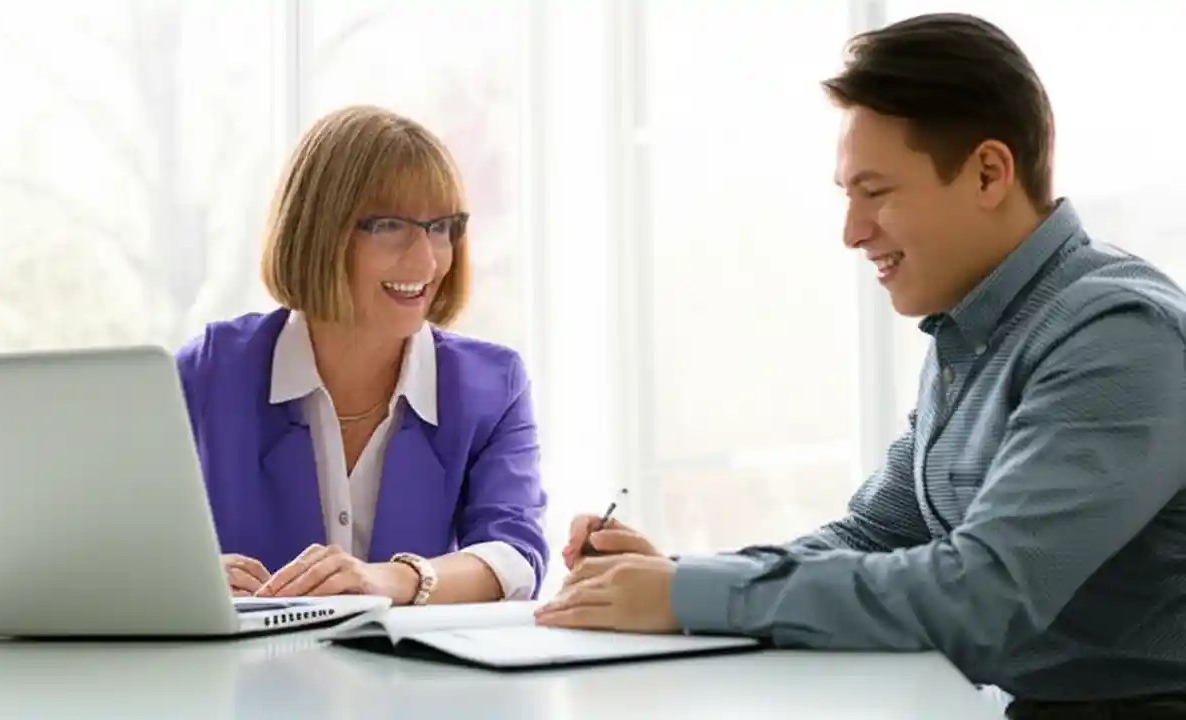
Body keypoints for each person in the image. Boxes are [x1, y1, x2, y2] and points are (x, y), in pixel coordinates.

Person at [535, 13, 1186, 718]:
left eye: (875, 193)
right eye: (848, 195)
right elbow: (875, 536)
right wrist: (673, 577)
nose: (851, 231)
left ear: (989, 173)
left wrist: (686, 596)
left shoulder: (1119, 335)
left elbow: (981, 596)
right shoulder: (973, 332)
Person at [176, 105, 548, 607]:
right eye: (389, 225)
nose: (426, 260)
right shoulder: (208, 373)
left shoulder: (492, 385)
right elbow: (123, 542)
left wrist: (389, 581)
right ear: (318, 230)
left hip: (415, 681)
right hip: (244, 680)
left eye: (441, 228)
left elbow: (514, 556)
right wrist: (187, 577)